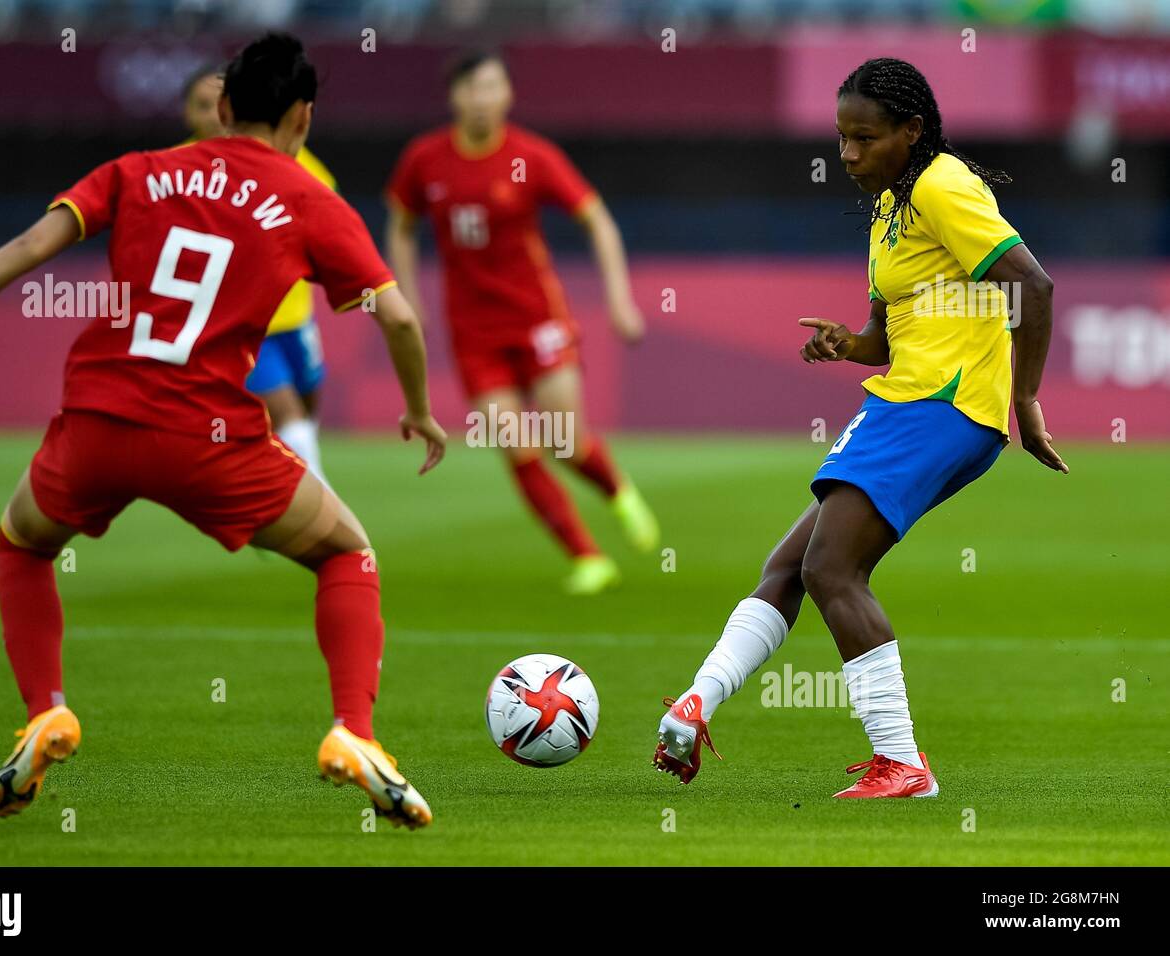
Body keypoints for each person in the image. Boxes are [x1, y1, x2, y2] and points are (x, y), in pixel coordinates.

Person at [0, 33, 447, 829]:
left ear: (223, 106)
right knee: (346, 550)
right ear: (304, 118)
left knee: (24, 544)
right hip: (209, 438)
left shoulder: (137, 170)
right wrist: (416, 409)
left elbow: (32, 244)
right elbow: (403, 318)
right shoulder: (312, 200)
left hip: (99, 422)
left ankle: (46, 712)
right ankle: (356, 731)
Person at [653, 58, 1067, 798]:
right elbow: (891, 335)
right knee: (790, 567)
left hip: (939, 409)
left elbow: (1031, 285)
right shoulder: (889, 208)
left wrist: (1026, 400)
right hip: (902, 400)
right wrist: (847, 343)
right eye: (841, 139)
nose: (847, 155)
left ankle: (902, 764)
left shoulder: (941, 184)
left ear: (912, 131)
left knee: (830, 570)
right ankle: (696, 705)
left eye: (864, 139)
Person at [385, 50, 657, 596]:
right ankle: (587, 557)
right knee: (515, 443)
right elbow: (401, 224)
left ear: (507, 95)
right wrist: (406, 296)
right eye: (472, 88)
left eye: (492, 87)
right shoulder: (425, 159)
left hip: (539, 321)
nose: (482, 98)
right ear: (455, 97)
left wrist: (620, 300)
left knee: (565, 442)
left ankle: (617, 488)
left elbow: (598, 221)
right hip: (474, 334)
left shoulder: (530, 156)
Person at [182, 65, 335, 485]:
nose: (213, 115)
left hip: (294, 318)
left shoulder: (296, 163)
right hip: (238, 326)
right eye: (200, 105)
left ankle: (269, 486)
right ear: (187, 114)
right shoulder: (174, 174)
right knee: (289, 416)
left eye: (221, 104)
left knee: (306, 411)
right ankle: (320, 516)